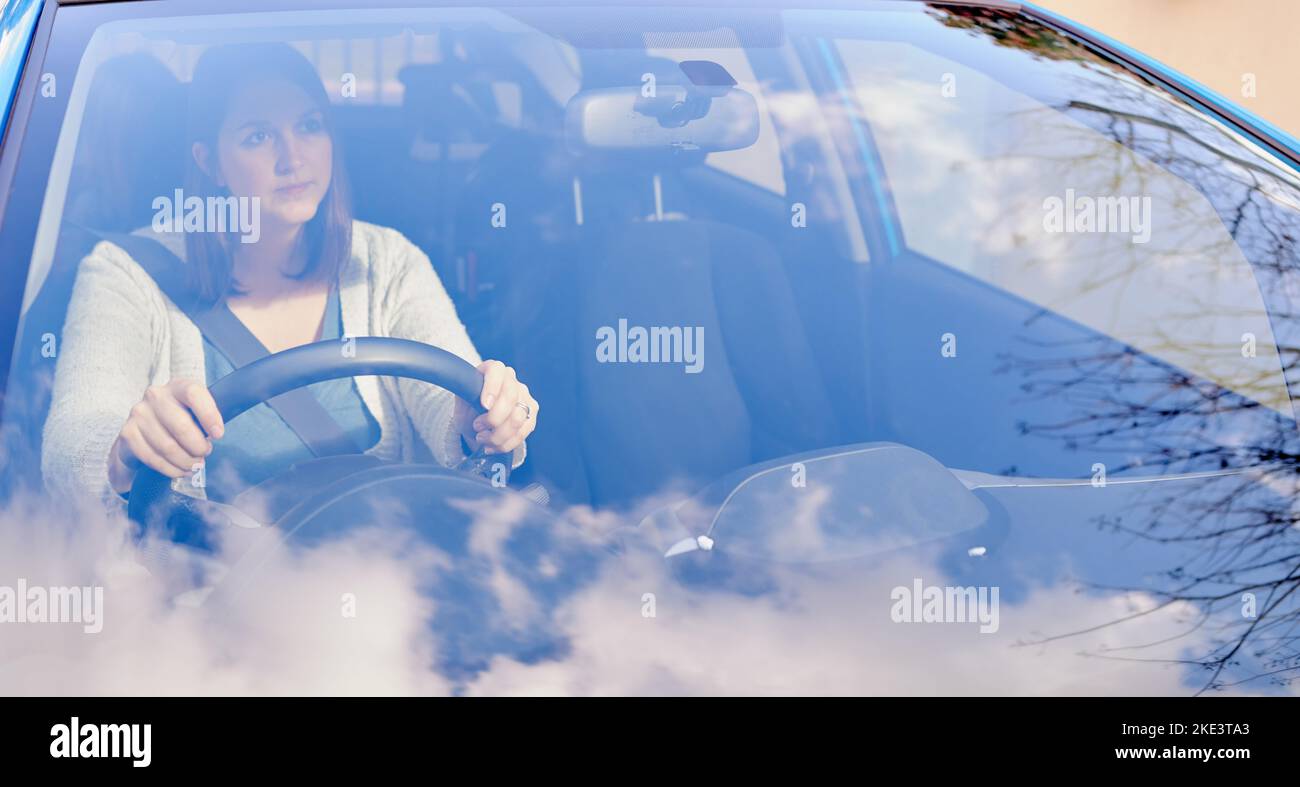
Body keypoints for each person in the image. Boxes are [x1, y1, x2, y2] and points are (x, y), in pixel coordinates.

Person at [42, 43, 538, 508]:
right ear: (209, 161)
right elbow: (73, 443)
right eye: (258, 136)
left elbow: (446, 395)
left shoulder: (387, 260)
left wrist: (482, 418)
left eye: (309, 125)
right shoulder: (124, 274)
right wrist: (123, 454)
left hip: (391, 585)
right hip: (205, 592)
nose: (292, 157)